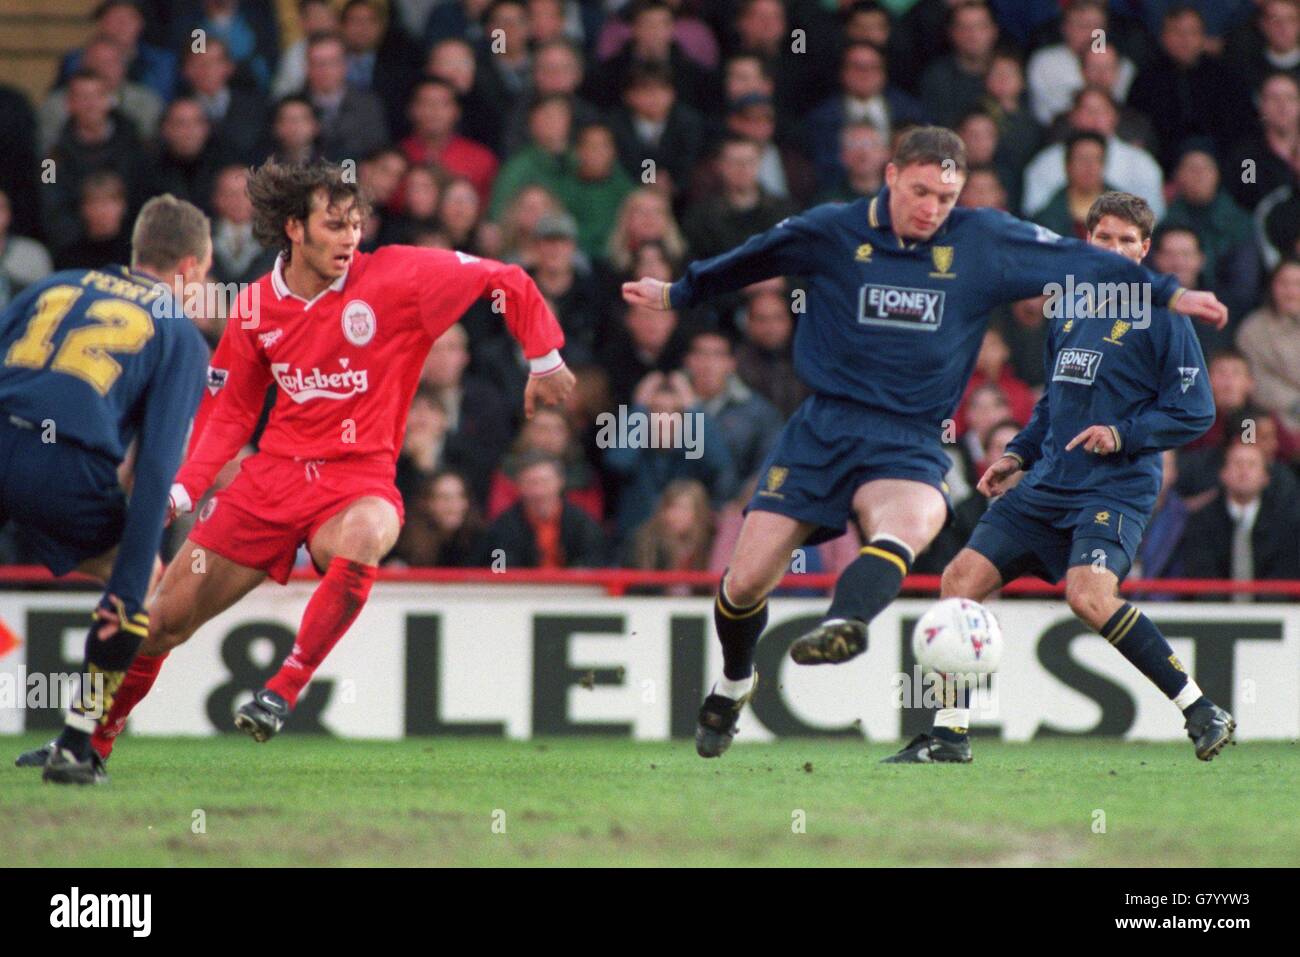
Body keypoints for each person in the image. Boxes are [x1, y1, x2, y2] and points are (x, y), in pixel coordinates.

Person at [621, 127, 1227, 760]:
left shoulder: (1006, 250)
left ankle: (1198, 708)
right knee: (795, 583)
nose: (932, 208)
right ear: (890, 176)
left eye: (946, 196)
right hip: (884, 441)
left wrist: (1165, 308)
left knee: (1038, 576)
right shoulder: (843, 233)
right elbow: (759, 255)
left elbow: (1188, 402)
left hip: (1028, 464)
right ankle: (902, 724)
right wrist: (678, 292)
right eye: (921, 192)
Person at [39, 160, 573, 759]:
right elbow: (231, 416)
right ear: (295, 227)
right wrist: (182, 493)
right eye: (335, 224)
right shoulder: (253, 308)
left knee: (368, 532)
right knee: (162, 622)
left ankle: (282, 689)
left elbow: (503, 278)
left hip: (357, 482)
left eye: (356, 224)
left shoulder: (401, 276)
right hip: (270, 483)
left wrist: (545, 355)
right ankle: (86, 745)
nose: (350, 238)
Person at [886, 191, 1232, 766]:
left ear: (1145, 250)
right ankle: (949, 735)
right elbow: (1053, 403)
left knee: (1087, 596)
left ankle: (1200, 709)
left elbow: (1196, 410)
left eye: (1128, 240)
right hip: (1048, 482)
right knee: (959, 581)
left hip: (1115, 486)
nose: (1116, 249)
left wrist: (1122, 434)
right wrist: (1018, 455)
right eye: (1105, 238)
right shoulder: (1068, 305)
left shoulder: (1164, 316)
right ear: (1085, 242)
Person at [5, 195, 210, 783]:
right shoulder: (180, 334)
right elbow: (156, 471)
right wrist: (127, 584)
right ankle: (75, 744)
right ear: (191, 269)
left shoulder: (55, 285)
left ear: (136, 250)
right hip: (65, 469)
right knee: (142, 584)